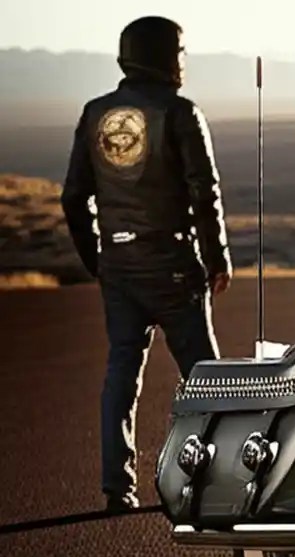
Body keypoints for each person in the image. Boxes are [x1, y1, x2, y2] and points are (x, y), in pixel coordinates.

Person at [60, 16, 232, 514]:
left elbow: (74, 197)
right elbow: (205, 190)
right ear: (159, 56)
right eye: (179, 51)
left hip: (118, 264)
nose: (183, 61)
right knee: (205, 378)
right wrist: (217, 256)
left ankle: (118, 486)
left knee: (121, 372)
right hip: (173, 263)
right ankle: (215, 481)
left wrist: (98, 259)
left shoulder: (95, 114)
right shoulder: (180, 113)